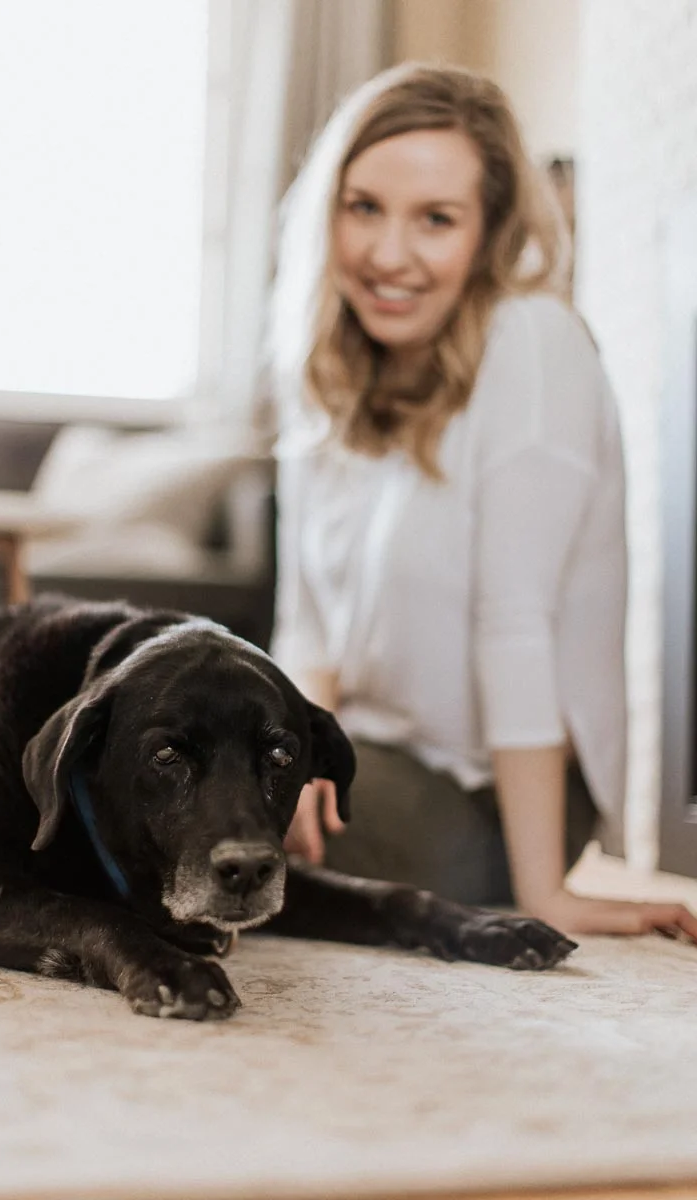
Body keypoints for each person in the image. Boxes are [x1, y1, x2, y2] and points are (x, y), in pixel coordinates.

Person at [268, 62, 697, 940]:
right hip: (365, 754)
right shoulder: (334, 369)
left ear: (491, 231)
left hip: (494, 799)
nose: (389, 254)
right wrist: (296, 746)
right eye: (364, 208)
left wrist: (545, 895)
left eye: (436, 219)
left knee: (175, 811)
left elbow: (517, 623)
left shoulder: (534, 343)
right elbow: (306, 629)